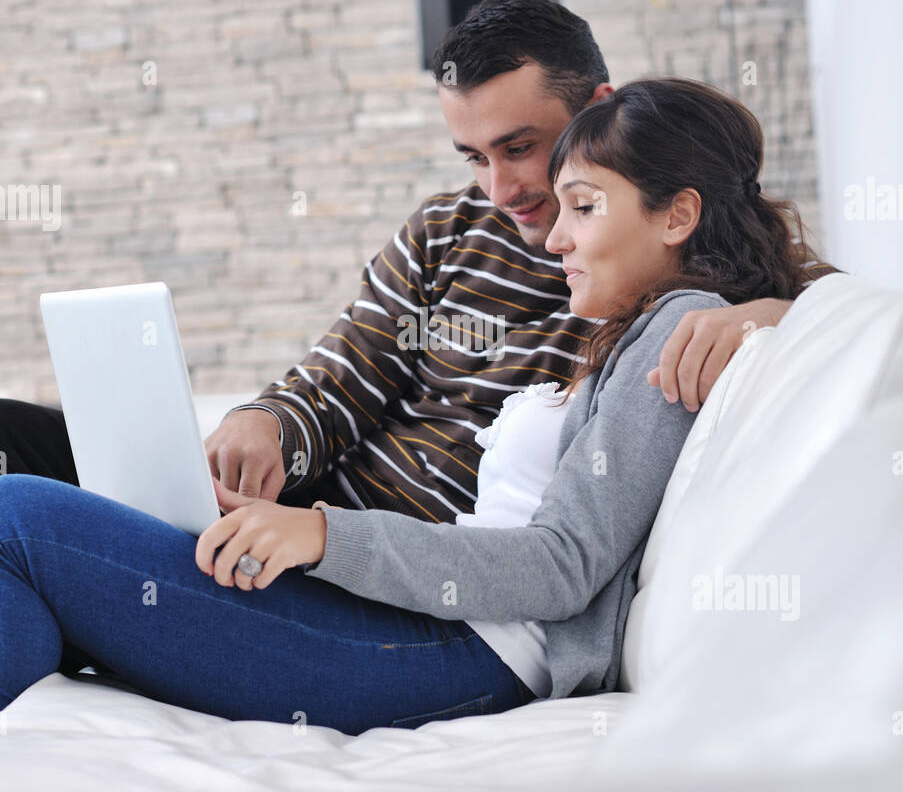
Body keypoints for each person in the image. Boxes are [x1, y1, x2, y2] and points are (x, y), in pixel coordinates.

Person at [0, 77, 831, 732]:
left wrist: (322, 534)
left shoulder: (682, 329)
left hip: (457, 648)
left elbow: (559, 567)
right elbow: (341, 371)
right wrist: (277, 448)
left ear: (678, 214)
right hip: (411, 610)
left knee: (19, 521)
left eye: (583, 207)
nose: (553, 235)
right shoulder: (635, 324)